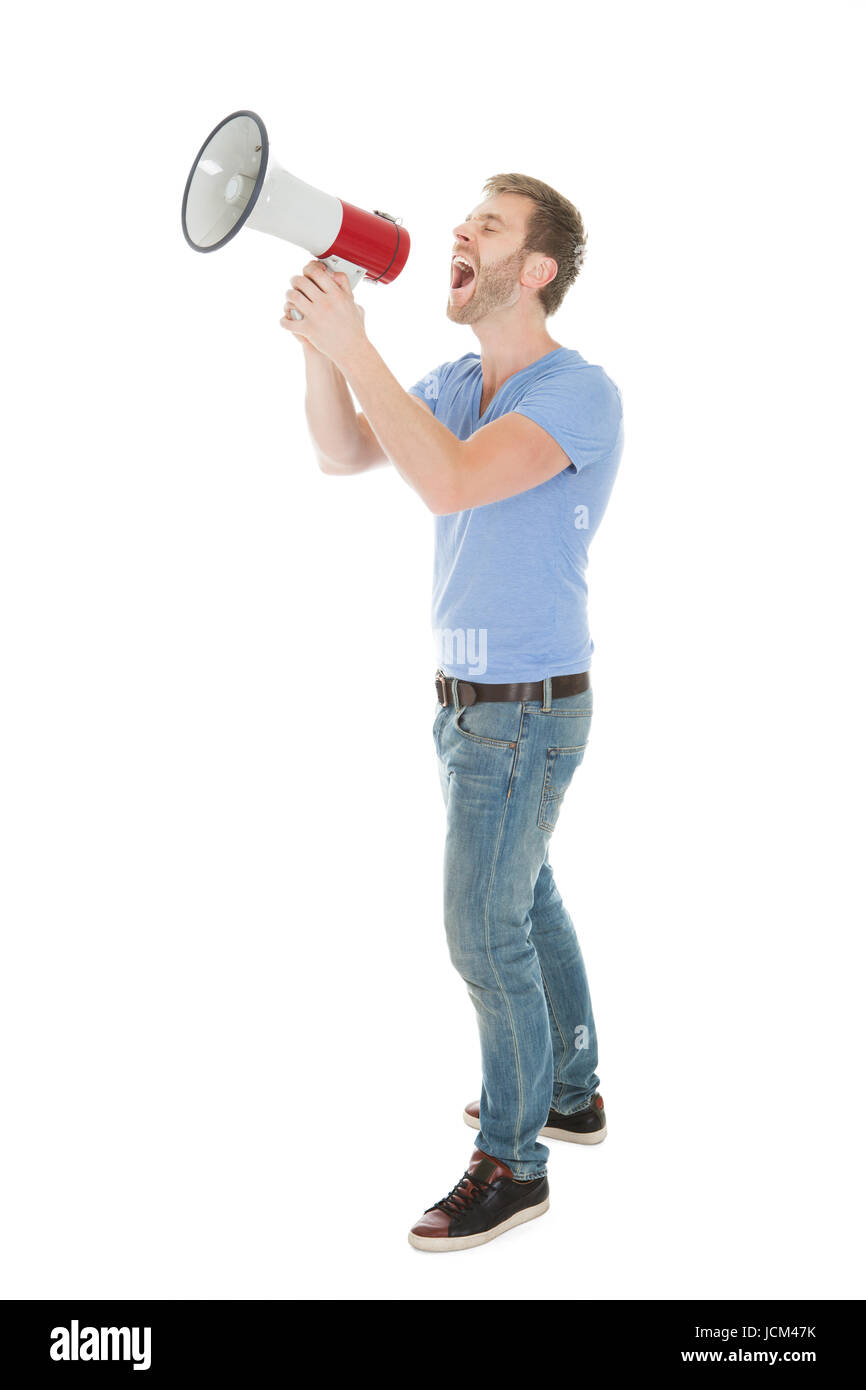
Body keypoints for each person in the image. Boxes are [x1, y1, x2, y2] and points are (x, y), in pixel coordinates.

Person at [281, 173, 624, 1252]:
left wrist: (358, 346)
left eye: (487, 225)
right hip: (473, 710)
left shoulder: (573, 393)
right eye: (460, 218)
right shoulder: (447, 379)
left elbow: (451, 484)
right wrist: (321, 343)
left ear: (536, 272)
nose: (456, 233)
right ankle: (567, 1092)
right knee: (523, 901)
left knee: (481, 930)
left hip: (522, 711)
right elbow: (342, 452)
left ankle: (514, 1162)